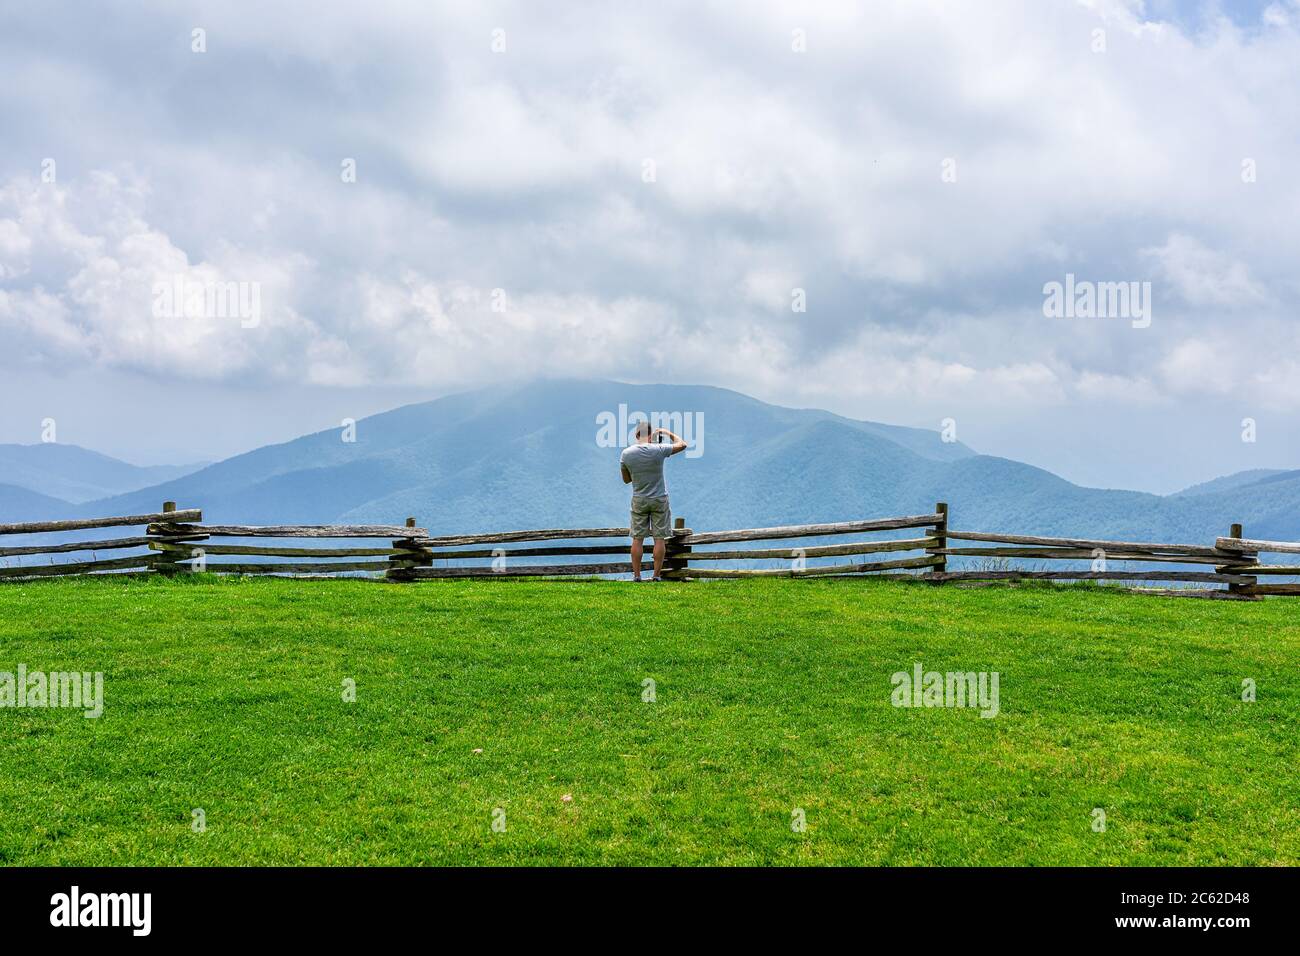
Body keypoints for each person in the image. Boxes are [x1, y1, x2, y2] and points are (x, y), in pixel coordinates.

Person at [619, 421, 688, 581]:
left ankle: (637, 576)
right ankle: (656, 576)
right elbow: (682, 444)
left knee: (637, 538)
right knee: (659, 539)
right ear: (651, 436)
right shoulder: (659, 449)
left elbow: (626, 480)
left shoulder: (626, 454)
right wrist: (667, 432)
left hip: (639, 498)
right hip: (659, 498)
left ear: (636, 435)